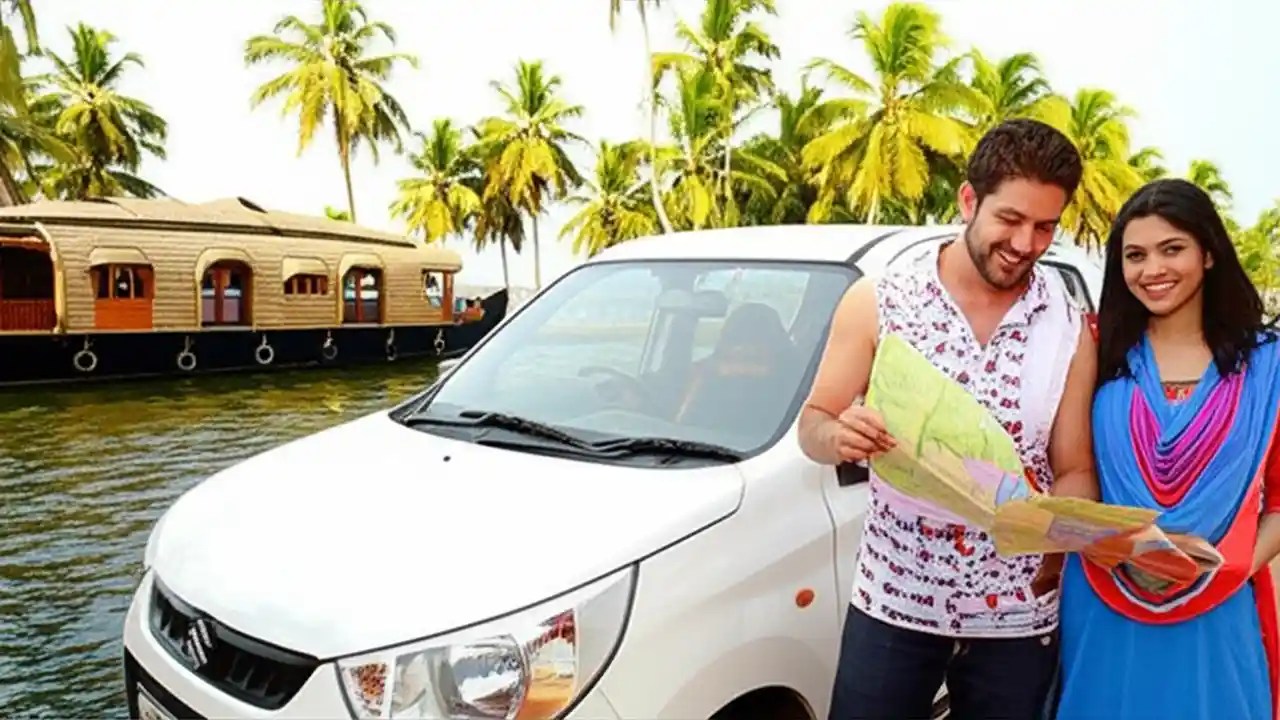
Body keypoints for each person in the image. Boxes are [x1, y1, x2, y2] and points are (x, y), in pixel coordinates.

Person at [798, 118, 1099, 720]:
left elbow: (1074, 468)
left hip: (1017, 612)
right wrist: (840, 435)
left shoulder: (1066, 325)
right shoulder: (882, 299)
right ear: (968, 200)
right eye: (1009, 220)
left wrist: (1059, 546)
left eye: (1045, 227)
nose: (1025, 243)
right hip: (894, 601)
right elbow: (814, 424)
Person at [1054, 178, 1280, 719]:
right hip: (1106, 592)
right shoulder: (1098, 345)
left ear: (1207, 253)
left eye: (1171, 248)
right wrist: (1113, 550)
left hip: (1219, 601)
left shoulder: (1268, 363)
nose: (1152, 269)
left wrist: (1220, 569)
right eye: (1135, 255)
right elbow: (1072, 468)